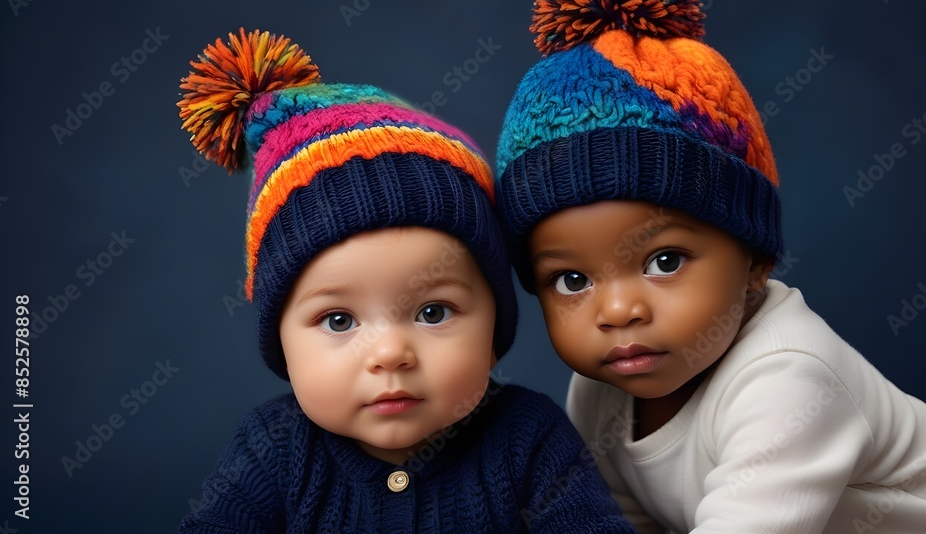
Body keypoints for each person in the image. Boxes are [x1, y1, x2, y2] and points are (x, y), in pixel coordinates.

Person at [492, 0, 926, 532]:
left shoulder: (786, 374)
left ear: (755, 261)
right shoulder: (599, 392)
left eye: (664, 262)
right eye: (572, 280)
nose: (617, 311)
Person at [175, 28, 635, 533]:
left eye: (432, 312)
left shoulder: (529, 438)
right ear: (281, 343)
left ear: (493, 330)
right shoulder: (275, 449)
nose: (390, 352)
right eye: (338, 319)